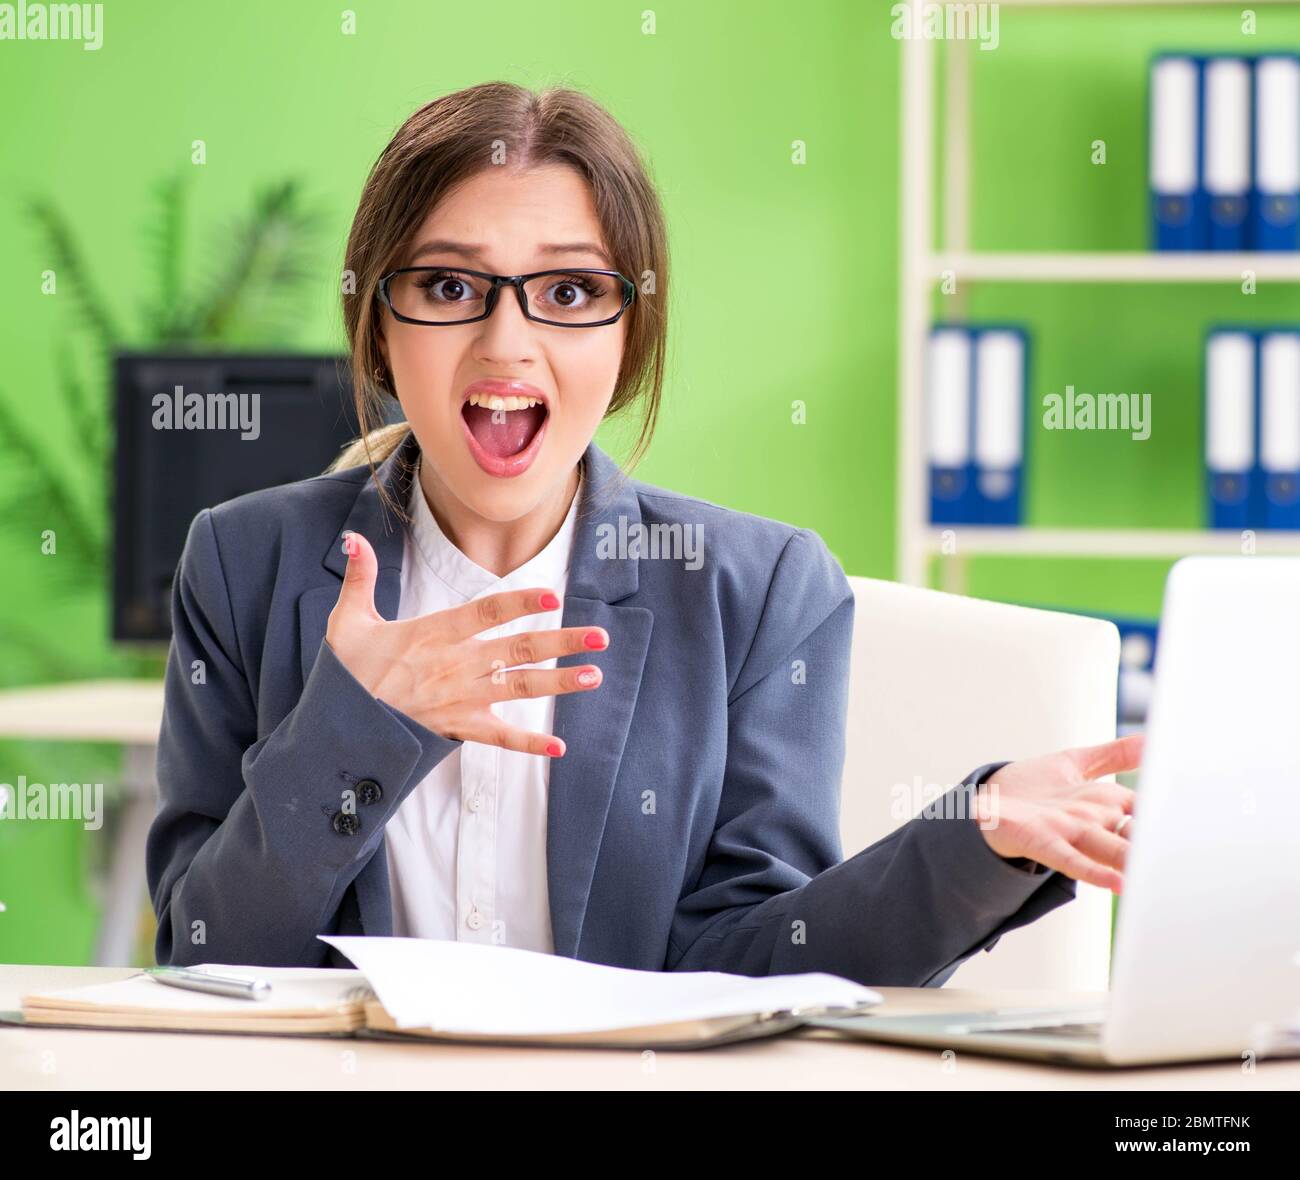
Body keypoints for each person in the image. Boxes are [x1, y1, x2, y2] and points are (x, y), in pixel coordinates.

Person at [146, 82, 1140, 986]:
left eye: (570, 291)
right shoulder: (243, 566)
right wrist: (356, 727)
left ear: (630, 335)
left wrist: (973, 835)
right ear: (377, 324)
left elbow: (759, 965)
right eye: (450, 288)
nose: (506, 342)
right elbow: (202, 956)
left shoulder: (762, 591)